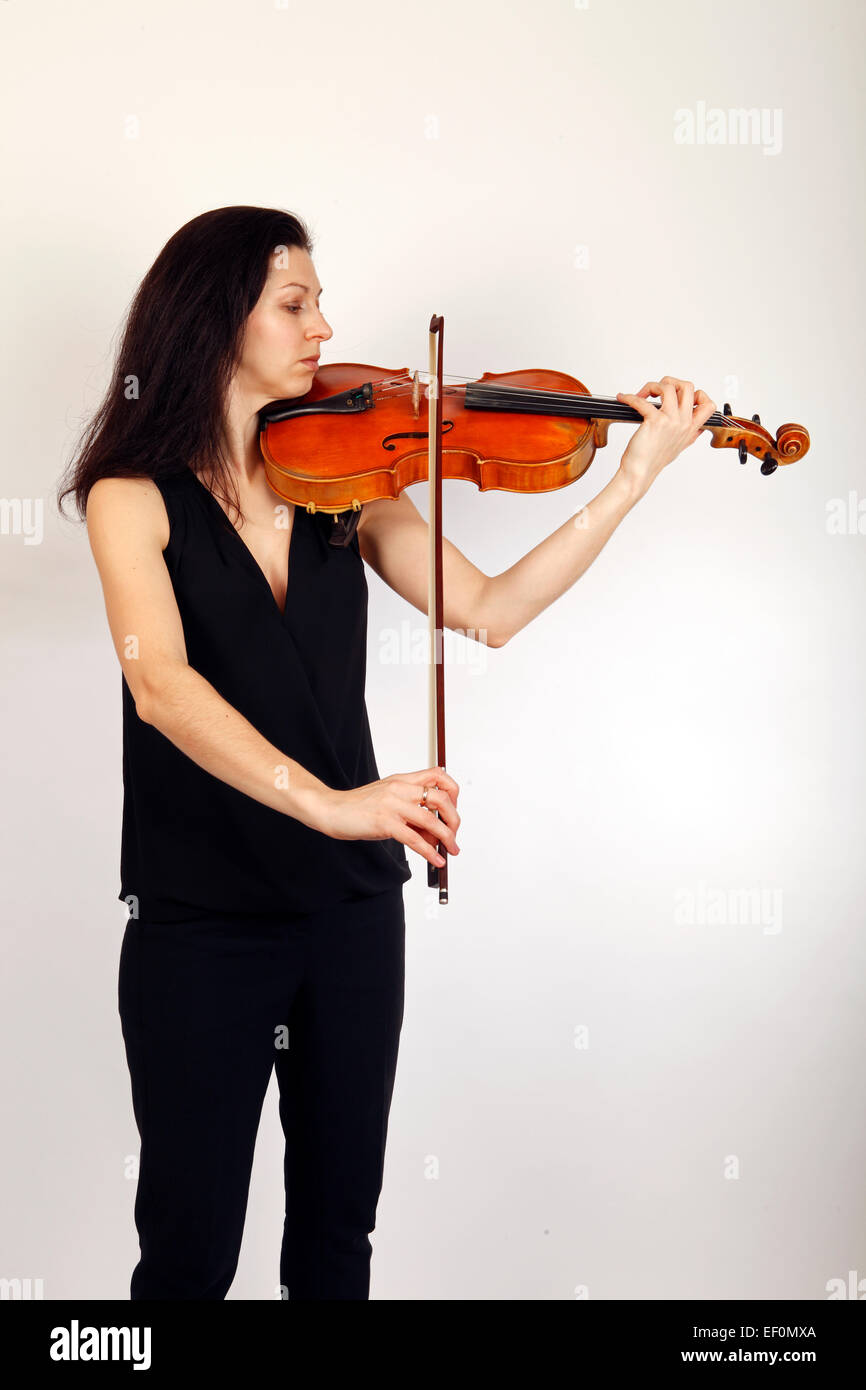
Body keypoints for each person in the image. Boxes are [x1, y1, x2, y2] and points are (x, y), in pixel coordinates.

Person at [58, 204, 716, 1301]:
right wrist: (332, 802)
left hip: (348, 919)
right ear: (219, 319)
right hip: (197, 926)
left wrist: (631, 475)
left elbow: (492, 608)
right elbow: (160, 687)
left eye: (318, 301)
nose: (326, 326)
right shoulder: (134, 501)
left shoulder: (349, 481)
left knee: (333, 1249)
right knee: (187, 1255)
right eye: (295, 302)